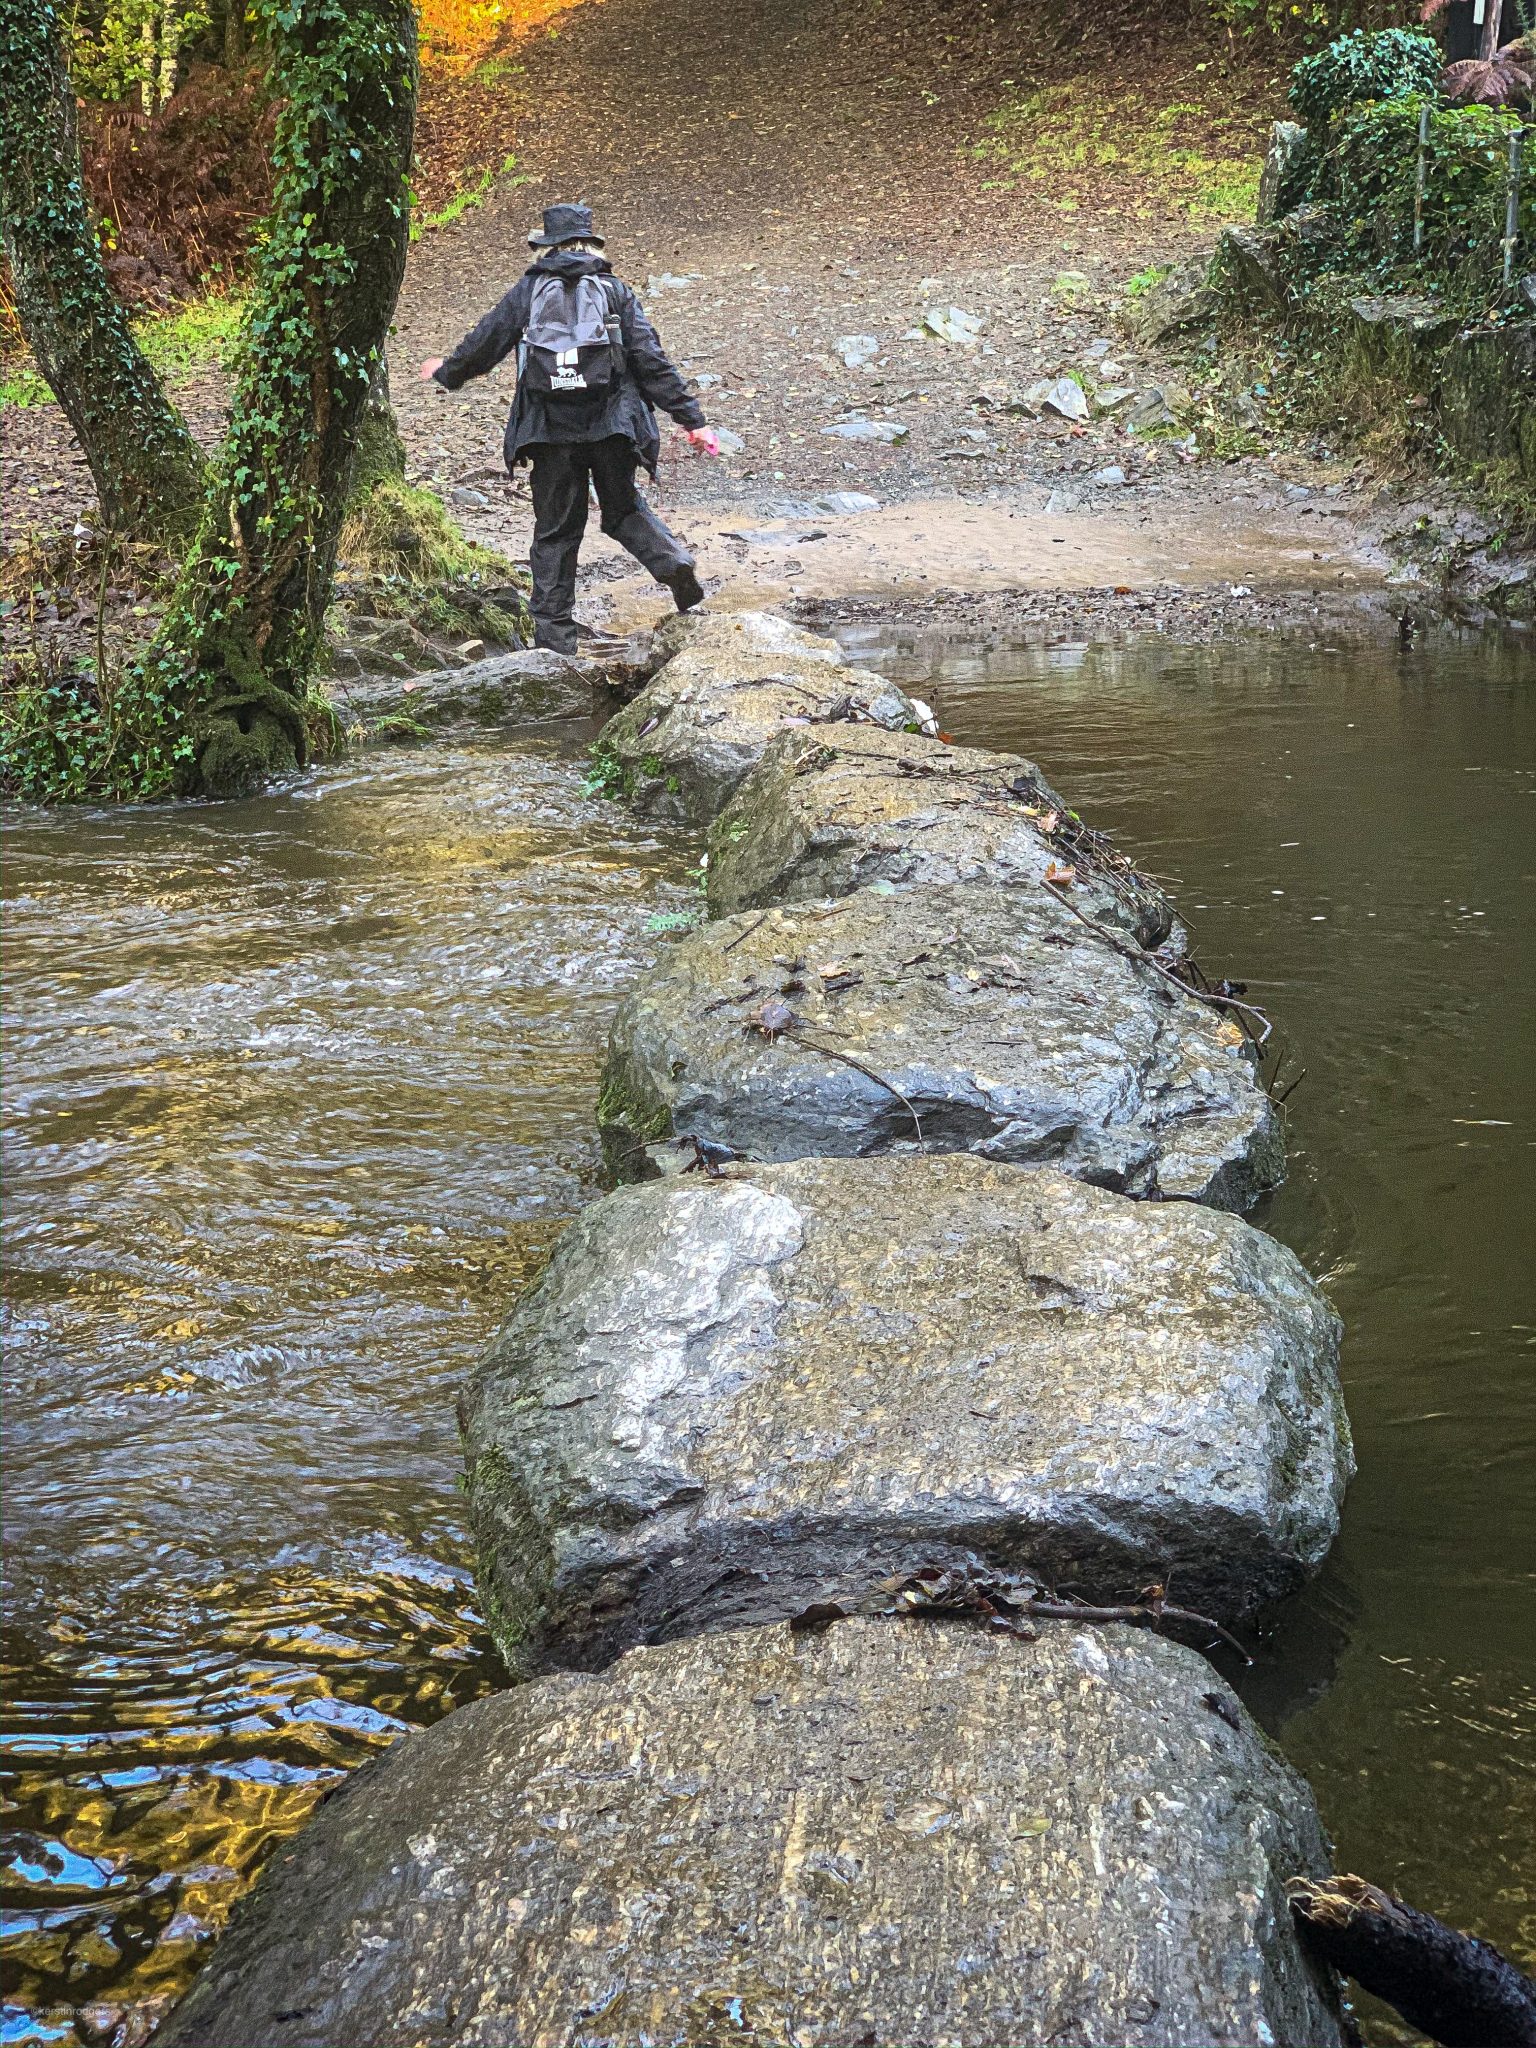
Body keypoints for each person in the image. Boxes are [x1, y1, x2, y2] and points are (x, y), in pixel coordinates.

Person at [419, 201, 718, 654]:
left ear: (547, 246)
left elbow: (488, 340)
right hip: (613, 426)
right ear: (589, 242)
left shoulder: (529, 289)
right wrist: (692, 420)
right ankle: (674, 564)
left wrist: (448, 371)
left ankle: (555, 645)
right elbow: (650, 359)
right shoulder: (614, 290)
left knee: (556, 531)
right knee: (623, 511)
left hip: (549, 429)